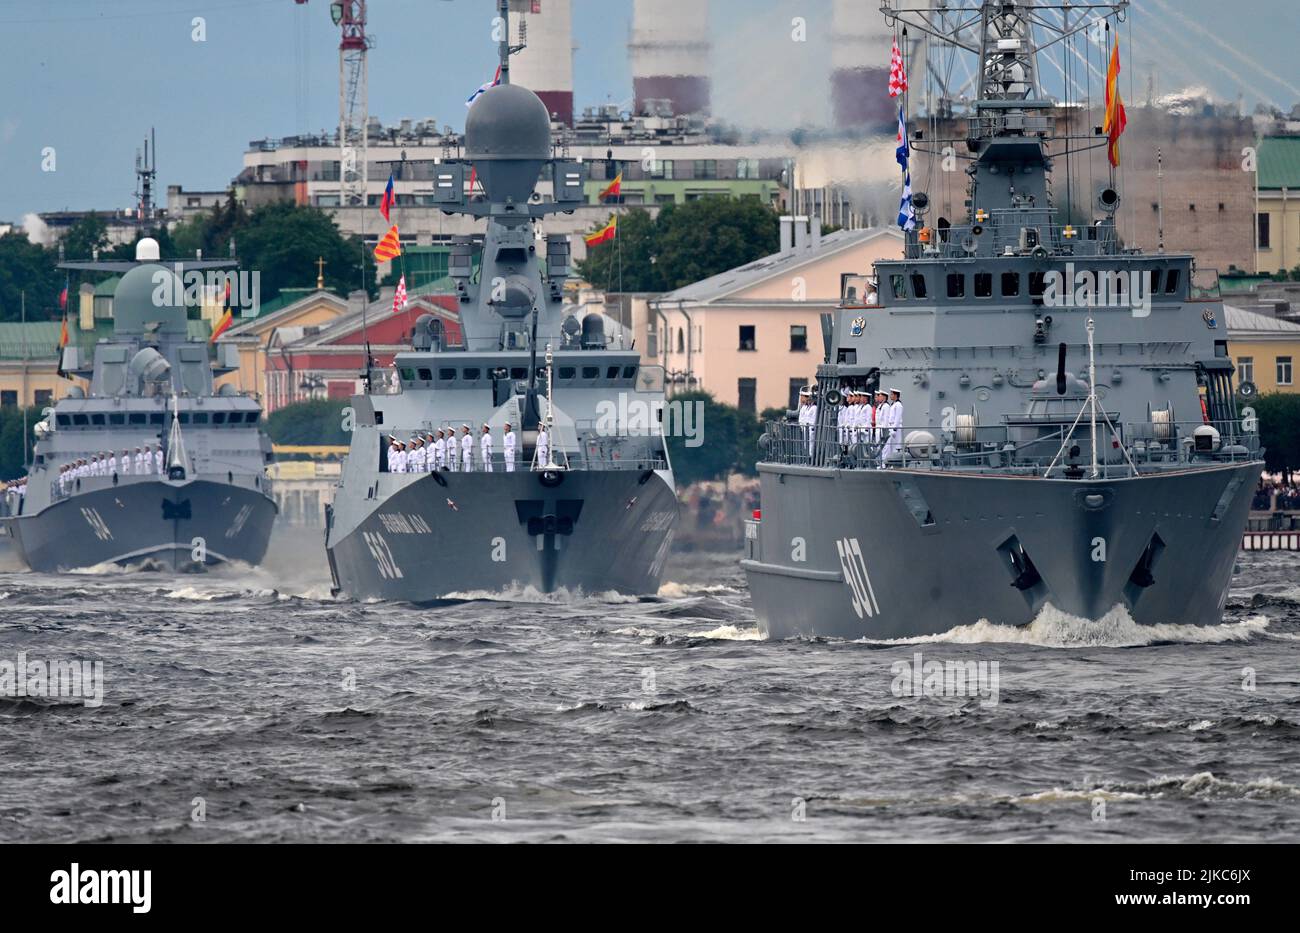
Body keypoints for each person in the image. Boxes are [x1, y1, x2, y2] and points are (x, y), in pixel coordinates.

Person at [883, 388, 904, 464]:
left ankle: (895, 464)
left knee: (895, 446)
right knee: (890, 447)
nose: (890, 395)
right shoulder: (893, 404)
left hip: (896, 428)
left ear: (895, 395)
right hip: (891, 427)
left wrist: (894, 429)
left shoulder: (898, 405)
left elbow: (897, 417)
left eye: (891, 394)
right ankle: (889, 463)